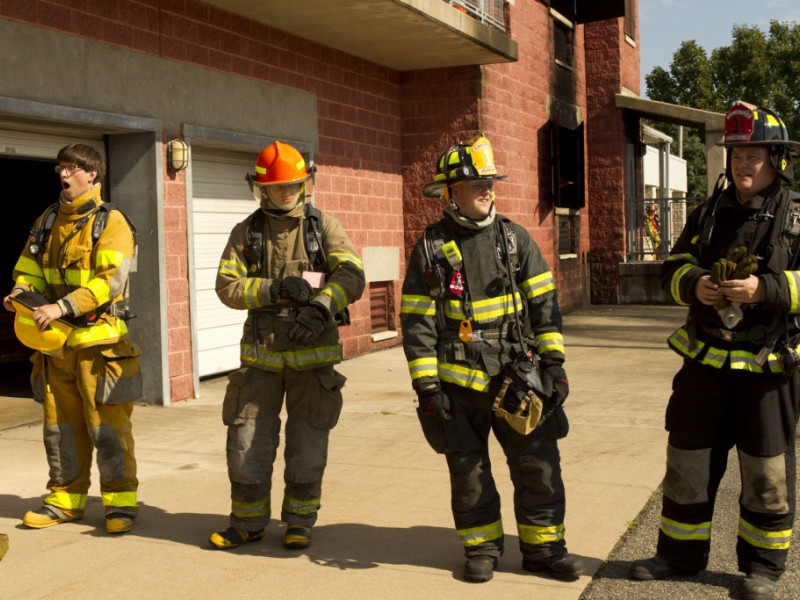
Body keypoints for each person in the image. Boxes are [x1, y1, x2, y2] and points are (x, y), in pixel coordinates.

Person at [628, 101, 800, 600]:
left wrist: (764, 290)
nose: (743, 165)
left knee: (766, 472)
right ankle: (679, 557)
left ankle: (762, 570)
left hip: (767, 371)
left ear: (777, 159)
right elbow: (672, 265)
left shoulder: (796, 218)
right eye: (736, 156)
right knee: (688, 462)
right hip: (703, 366)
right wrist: (696, 282)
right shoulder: (708, 214)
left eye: (754, 156)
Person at [400, 135, 583, 583]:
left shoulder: (515, 240)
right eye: (476, 184)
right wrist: (427, 387)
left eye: (489, 182)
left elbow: (545, 306)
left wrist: (554, 363)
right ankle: (481, 547)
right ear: (451, 192)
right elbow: (417, 323)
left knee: (538, 465)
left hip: (516, 379)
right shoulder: (429, 248)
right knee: (468, 471)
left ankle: (544, 550)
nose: (487, 190)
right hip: (458, 385)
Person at [209, 141, 365, 551]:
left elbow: (351, 274)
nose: (287, 192)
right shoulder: (246, 232)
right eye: (279, 187)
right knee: (246, 445)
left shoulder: (322, 227)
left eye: (294, 184)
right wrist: (273, 289)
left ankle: (300, 522)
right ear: (261, 189)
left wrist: (321, 307)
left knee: (308, 445)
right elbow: (227, 286)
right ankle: (246, 524)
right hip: (260, 361)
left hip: (313, 361)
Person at [2, 143, 141, 534]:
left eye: (73, 168)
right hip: (55, 347)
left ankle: (120, 503)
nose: (65, 175)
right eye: (61, 167)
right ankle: (65, 498)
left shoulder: (111, 222)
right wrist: (20, 293)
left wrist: (61, 307)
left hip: (100, 346)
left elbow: (109, 281)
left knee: (107, 427)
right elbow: (27, 269)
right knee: (60, 426)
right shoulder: (47, 220)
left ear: (92, 174)